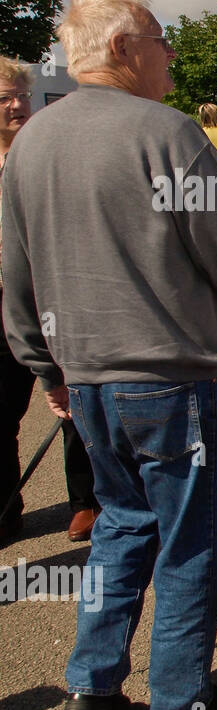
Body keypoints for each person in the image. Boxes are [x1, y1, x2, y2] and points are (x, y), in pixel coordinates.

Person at [2, 0, 217, 710]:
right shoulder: (168, 133)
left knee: (123, 524)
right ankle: (177, 695)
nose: (171, 55)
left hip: (85, 377)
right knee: (192, 538)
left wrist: (44, 369)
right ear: (124, 47)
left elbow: (15, 272)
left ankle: (91, 677)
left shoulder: (29, 142)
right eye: (161, 40)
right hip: (171, 378)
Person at [0, 56, 100, 544]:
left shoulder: (44, 153)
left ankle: (86, 501)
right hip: (3, 303)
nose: (19, 104)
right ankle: (8, 506)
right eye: (6, 98)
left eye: (22, 94)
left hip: (53, 297)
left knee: (70, 402)